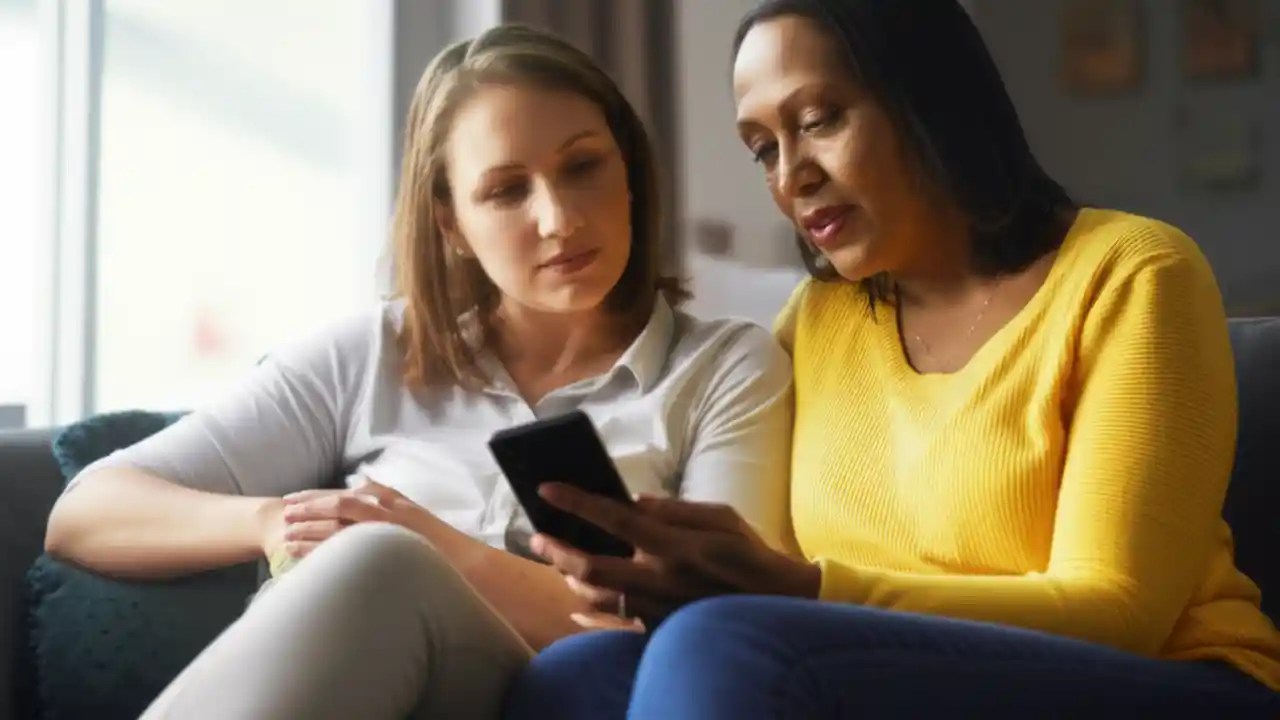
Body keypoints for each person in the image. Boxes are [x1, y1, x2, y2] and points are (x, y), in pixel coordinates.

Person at [501, 0, 1280, 716]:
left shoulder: (1133, 273)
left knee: (722, 648)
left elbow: (1120, 612)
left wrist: (807, 592)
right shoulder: (817, 321)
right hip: (908, 683)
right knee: (578, 675)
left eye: (819, 120)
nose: (792, 176)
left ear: (929, 100)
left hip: (1170, 684)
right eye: (763, 149)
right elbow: (778, 586)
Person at [43, 23, 794, 720]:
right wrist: (274, 521)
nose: (559, 219)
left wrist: (433, 545)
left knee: (384, 557)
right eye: (506, 191)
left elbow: (715, 633)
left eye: (583, 167)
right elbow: (86, 513)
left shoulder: (725, 366)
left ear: (628, 171)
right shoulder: (373, 352)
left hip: (562, 693)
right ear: (450, 224)